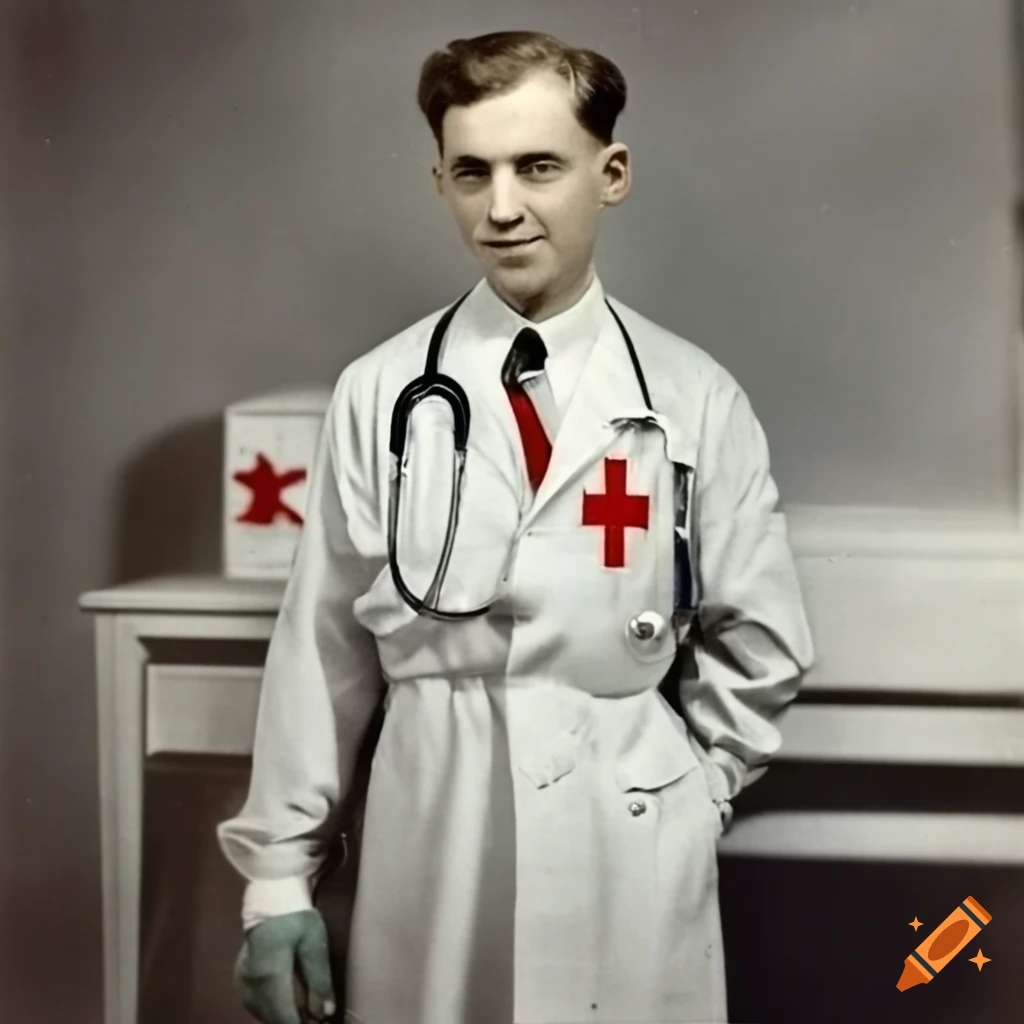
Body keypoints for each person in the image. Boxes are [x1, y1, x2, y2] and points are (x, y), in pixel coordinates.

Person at [217, 29, 814, 1024]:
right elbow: (322, 651)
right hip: (437, 819)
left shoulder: (691, 396)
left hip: (627, 825)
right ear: (439, 180)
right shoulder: (383, 392)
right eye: (471, 172)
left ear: (609, 173)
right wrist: (277, 880)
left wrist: (695, 793)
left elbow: (763, 638)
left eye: (538, 167)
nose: (501, 207)